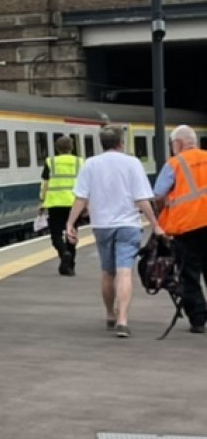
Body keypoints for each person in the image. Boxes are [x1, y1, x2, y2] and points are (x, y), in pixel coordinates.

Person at [64, 125, 157, 337]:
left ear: (102, 143)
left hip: (102, 225)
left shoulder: (90, 164)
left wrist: (70, 223)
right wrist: (155, 223)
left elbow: (81, 198)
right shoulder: (132, 163)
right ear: (121, 143)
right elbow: (142, 198)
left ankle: (109, 314)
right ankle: (123, 320)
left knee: (107, 272)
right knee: (125, 271)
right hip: (128, 225)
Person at [153, 124, 207, 335]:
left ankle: (198, 319)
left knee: (189, 274)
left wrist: (160, 214)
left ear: (177, 143)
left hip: (187, 227)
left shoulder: (174, 164)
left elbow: (158, 195)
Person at [39, 135, 80, 276]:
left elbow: (45, 184)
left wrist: (42, 201)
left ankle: (64, 253)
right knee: (72, 234)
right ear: (72, 147)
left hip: (55, 203)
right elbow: (85, 184)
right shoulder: (79, 162)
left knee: (56, 235)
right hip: (74, 204)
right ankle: (70, 266)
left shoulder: (50, 162)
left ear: (57, 148)